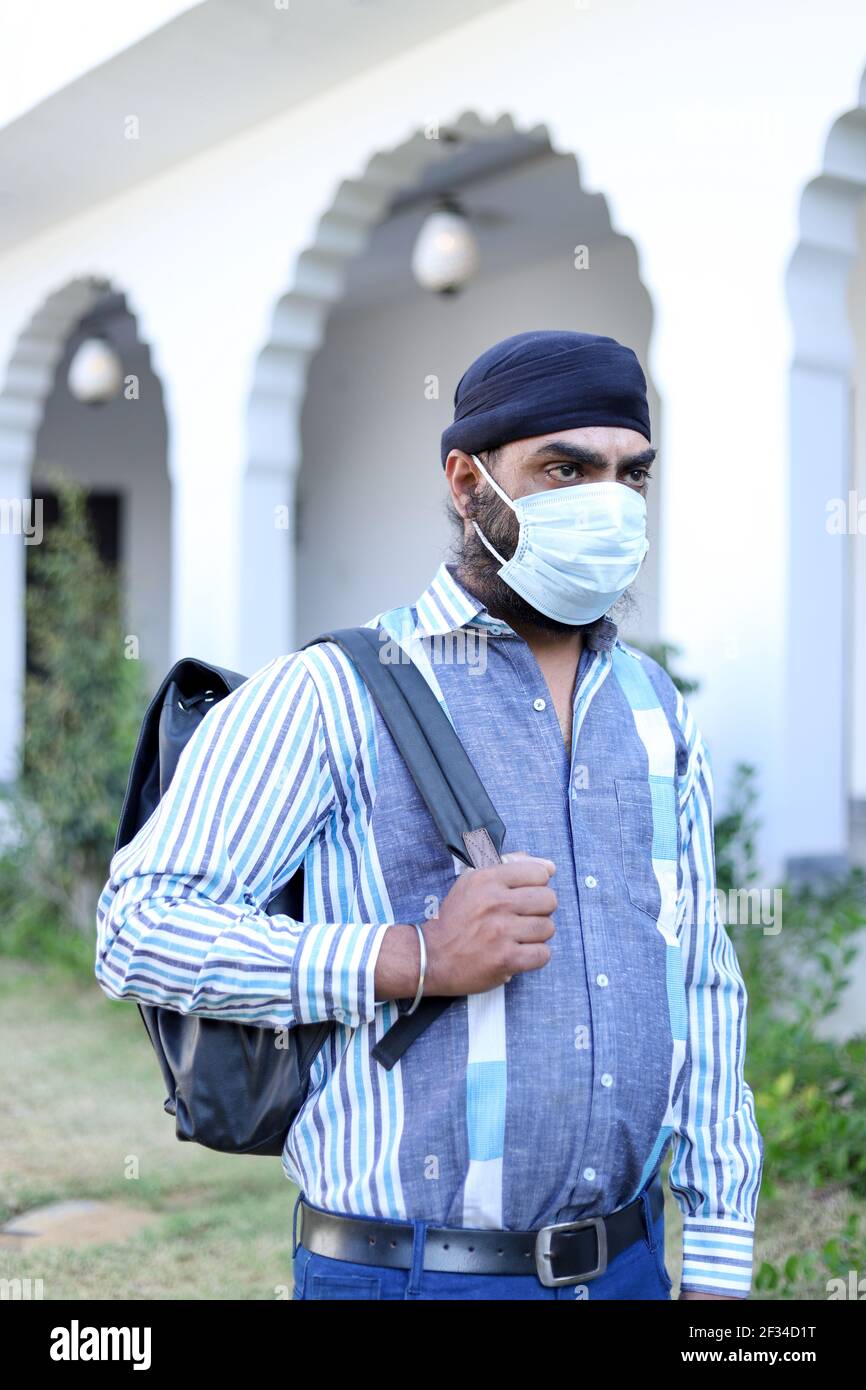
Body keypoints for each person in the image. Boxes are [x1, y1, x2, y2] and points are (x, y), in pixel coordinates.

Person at [95, 329, 763, 1301]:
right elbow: (138, 929)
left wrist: (713, 1262)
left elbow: (700, 984)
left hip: (628, 1265)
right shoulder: (328, 692)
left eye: (629, 476)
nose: (607, 505)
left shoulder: (655, 708)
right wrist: (412, 956)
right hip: (408, 1276)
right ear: (465, 481)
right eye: (563, 469)